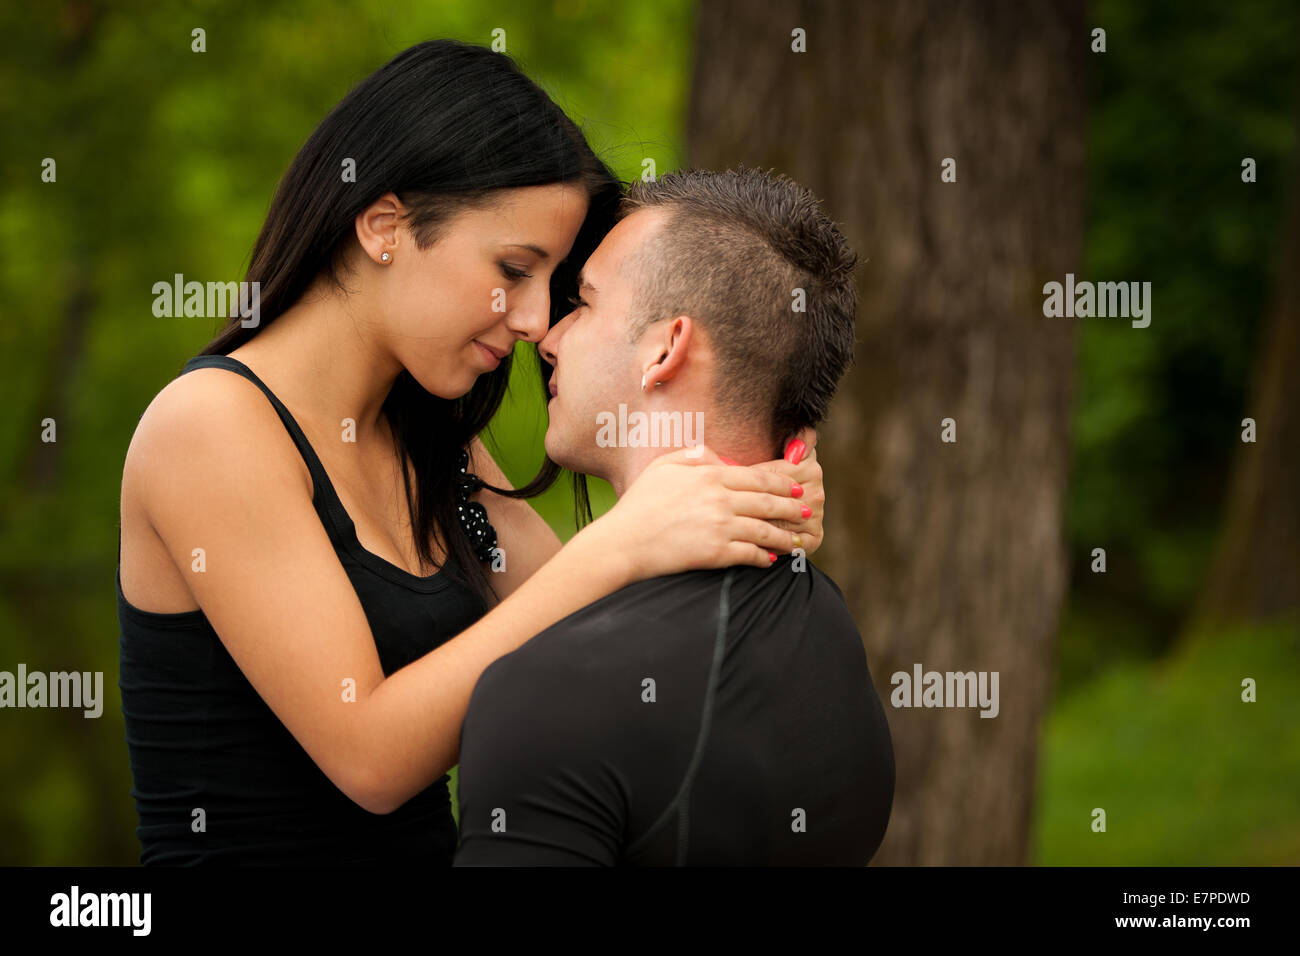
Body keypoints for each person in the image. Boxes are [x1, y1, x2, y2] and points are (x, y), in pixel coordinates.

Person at [117, 41, 827, 865]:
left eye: (552, 283)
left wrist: (750, 501)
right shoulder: (209, 428)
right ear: (385, 226)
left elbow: (595, 638)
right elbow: (368, 756)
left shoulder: (437, 440)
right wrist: (621, 541)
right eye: (513, 269)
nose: (533, 321)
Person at [454, 168, 894, 866]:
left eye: (583, 304)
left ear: (666, 349)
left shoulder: (549, 697)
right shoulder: (831, 634)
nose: (548, 336)